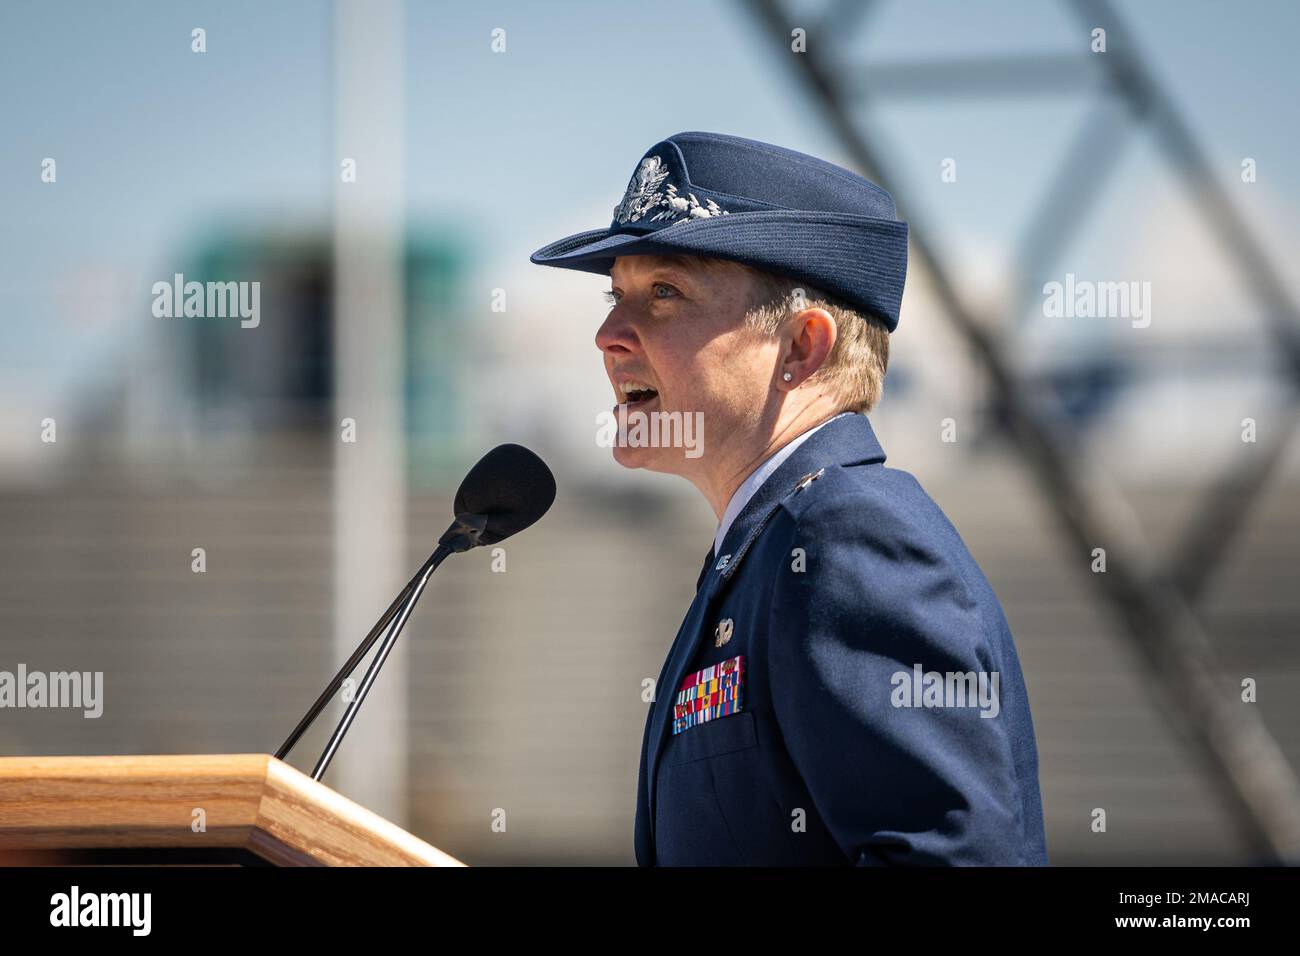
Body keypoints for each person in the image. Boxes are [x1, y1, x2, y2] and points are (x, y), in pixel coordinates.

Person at [531, 131, 1048, 865]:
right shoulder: (765, 548)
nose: (608, 335)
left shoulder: (848, 538)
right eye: (616, 296)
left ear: (802, 348)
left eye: (664, 293)